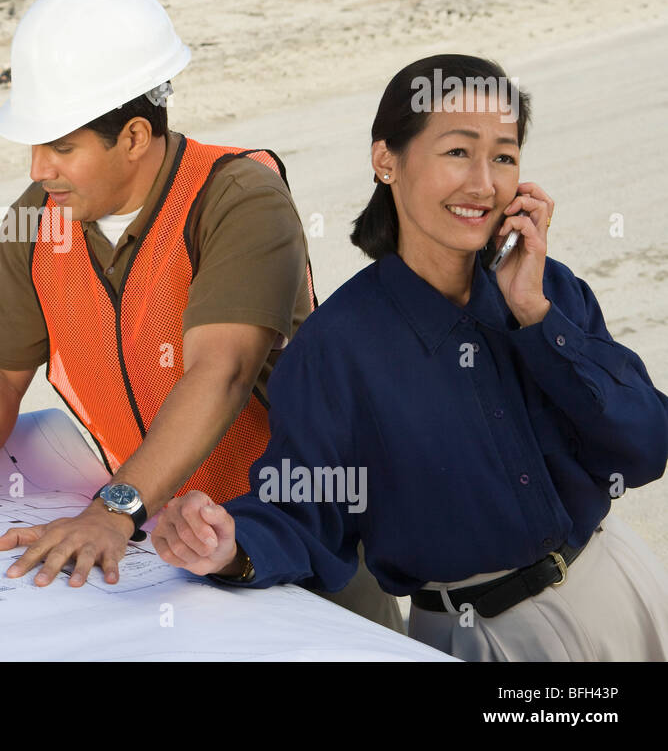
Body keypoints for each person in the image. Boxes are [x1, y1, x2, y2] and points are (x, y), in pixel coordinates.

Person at [0, 0, 399, 630]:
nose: (39, 168)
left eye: (61, 147)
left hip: (296, 542)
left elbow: (223, 371)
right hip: (167, 555)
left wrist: (111, 511)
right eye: (35, 146)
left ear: (132, 138)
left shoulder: (239, 199)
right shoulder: (38, 220)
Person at [153, 54, 668, 659]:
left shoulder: (547, 289)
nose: (484, 183)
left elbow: (644, 447)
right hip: (480, 639)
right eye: (458, 152)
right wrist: (230, 547)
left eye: (503, 155)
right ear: (386, 160)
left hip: (618, 590)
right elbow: (305, 512)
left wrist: (537, 319)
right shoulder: (335, 349)